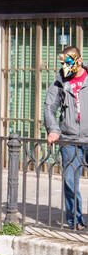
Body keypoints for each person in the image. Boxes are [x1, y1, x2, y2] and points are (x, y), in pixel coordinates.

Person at [44, 47, 88, 230]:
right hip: (69, 139)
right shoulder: (61, 81)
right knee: (70, 181)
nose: (65, 67)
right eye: (63, 63)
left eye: (69, 62)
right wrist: (53, 129)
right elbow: (48, 107)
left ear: (79, 60)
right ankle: (76, 221)